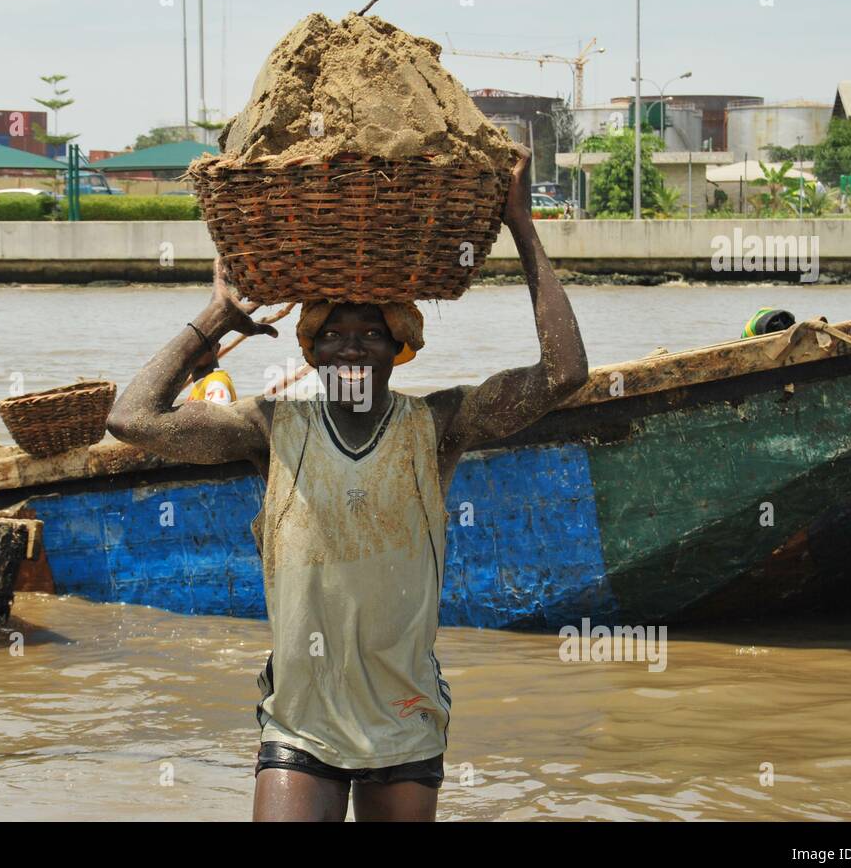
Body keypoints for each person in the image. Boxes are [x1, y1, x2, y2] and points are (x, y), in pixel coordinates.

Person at [106, 151, 588, 822]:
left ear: (400, 348)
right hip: (300, 724)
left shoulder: (438, 424)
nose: (352, 348)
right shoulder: (272, 428)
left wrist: (520, 226)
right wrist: (215, 317)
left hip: (403, 717)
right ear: (310, 352)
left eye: (371, 334)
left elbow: (563, 375)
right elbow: (132, 420)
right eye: (333, 335)